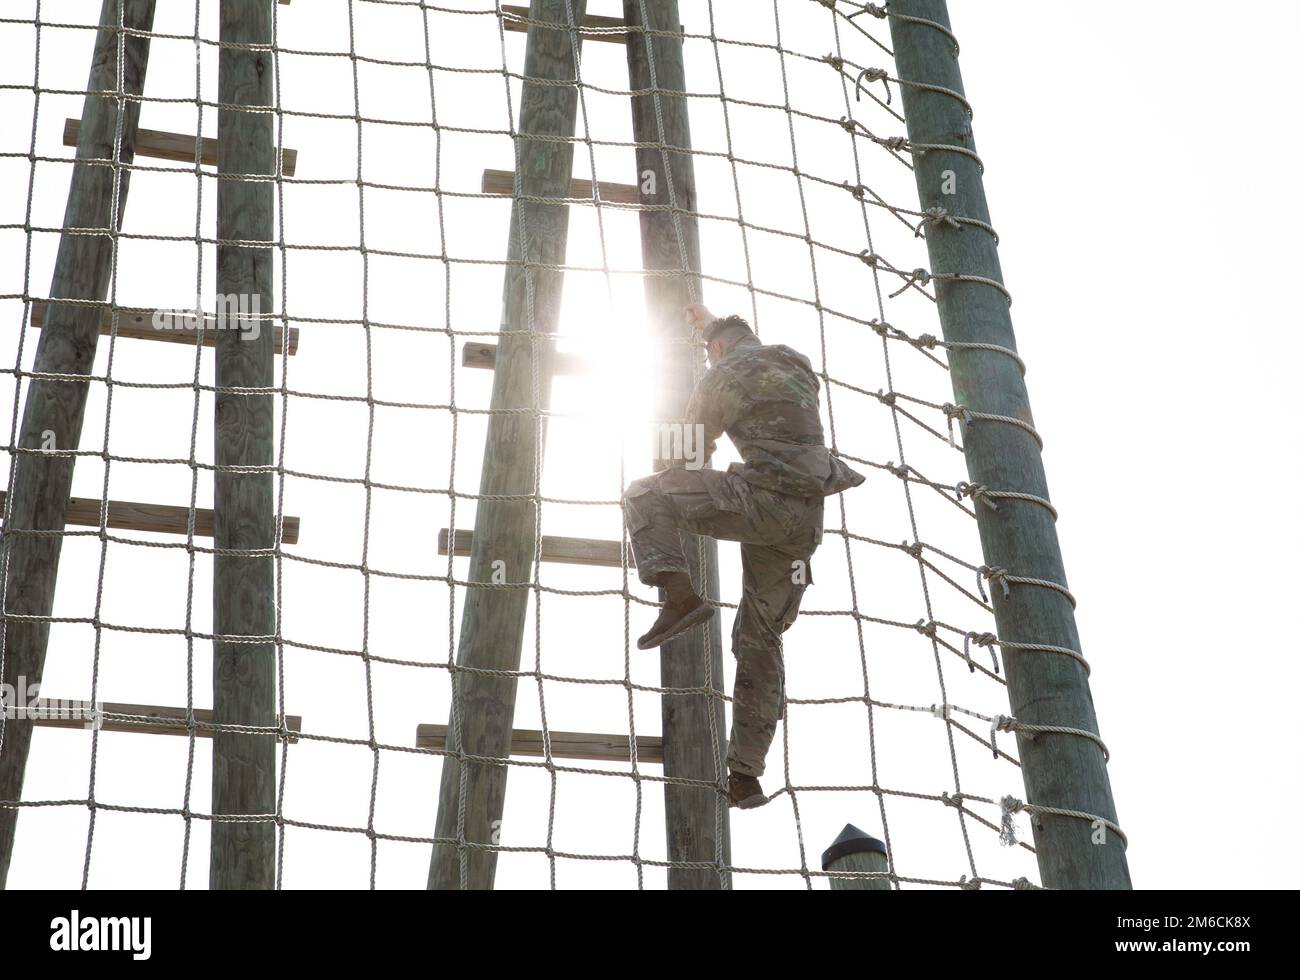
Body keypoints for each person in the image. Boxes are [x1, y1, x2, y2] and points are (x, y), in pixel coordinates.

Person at [621, 304, 865, 809]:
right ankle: (746, 775)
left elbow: (686, 453)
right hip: (805, 520)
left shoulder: (723, 375)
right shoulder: (796, 365)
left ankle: (679, 595)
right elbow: (746, 361)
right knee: (761, 637)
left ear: (716, 352)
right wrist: (710, 326)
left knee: (645, 493)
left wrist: (677, 439)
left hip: (761, 501)